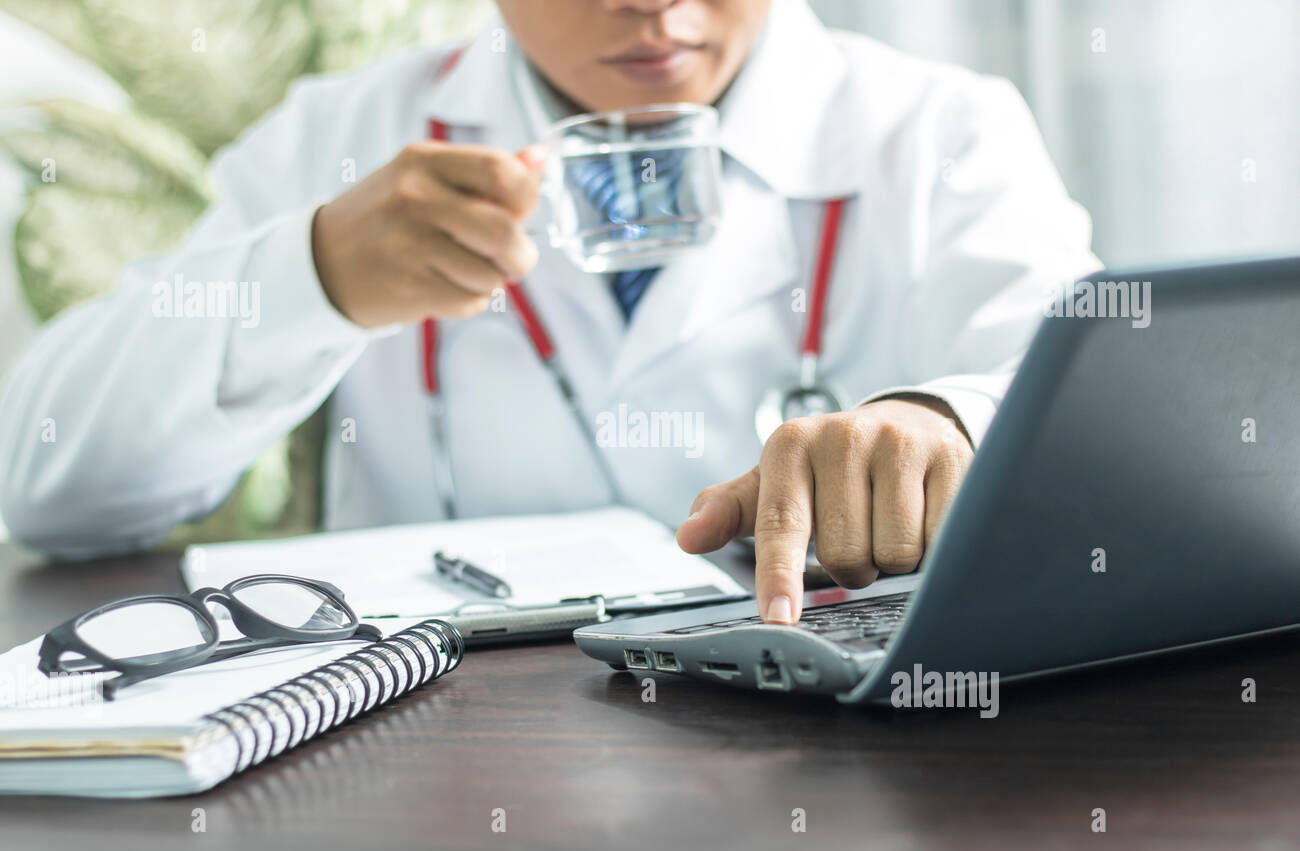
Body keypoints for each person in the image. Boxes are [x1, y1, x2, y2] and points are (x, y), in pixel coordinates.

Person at [0, 0, 1100, 625]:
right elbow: (52, 489)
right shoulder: (340, 131)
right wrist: (311, 278)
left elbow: (1088, 417)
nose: (654, 9)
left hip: (820, 730)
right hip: (441, 749)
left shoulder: (941, 129)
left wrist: (943, 418)